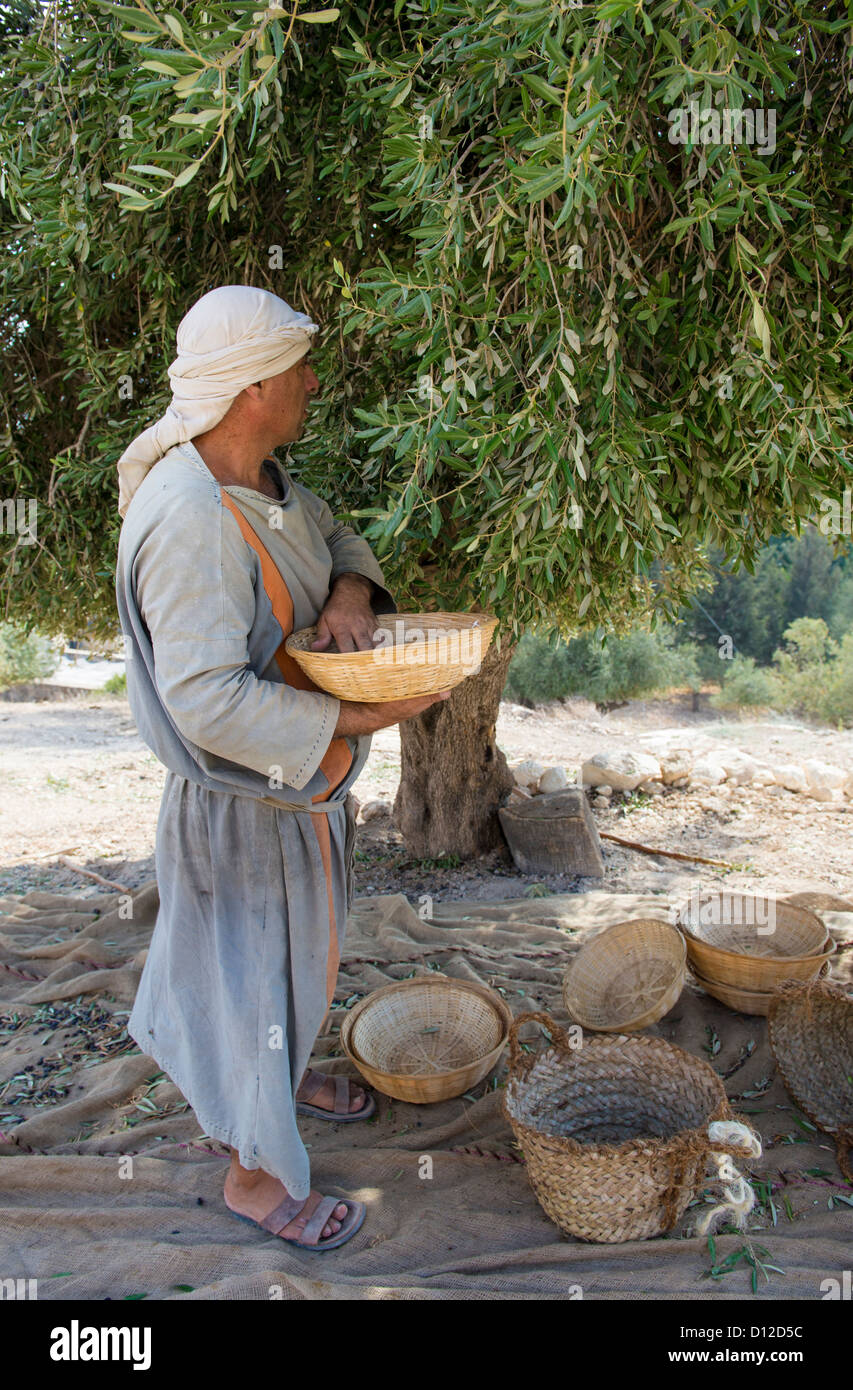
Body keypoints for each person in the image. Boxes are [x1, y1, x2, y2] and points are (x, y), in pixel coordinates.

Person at [115, 285, 448, 1250]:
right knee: (253, 981)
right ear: (253, 384)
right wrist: (360, 716)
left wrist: (349, 591)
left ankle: (279, 1070)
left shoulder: (263, 480)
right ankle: (256, 1180)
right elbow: (207, 702)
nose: (312, 380)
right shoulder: (189, 516)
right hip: (243, 811)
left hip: (293, 791)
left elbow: (336, 538)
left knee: (287, 974)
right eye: (298, 366)